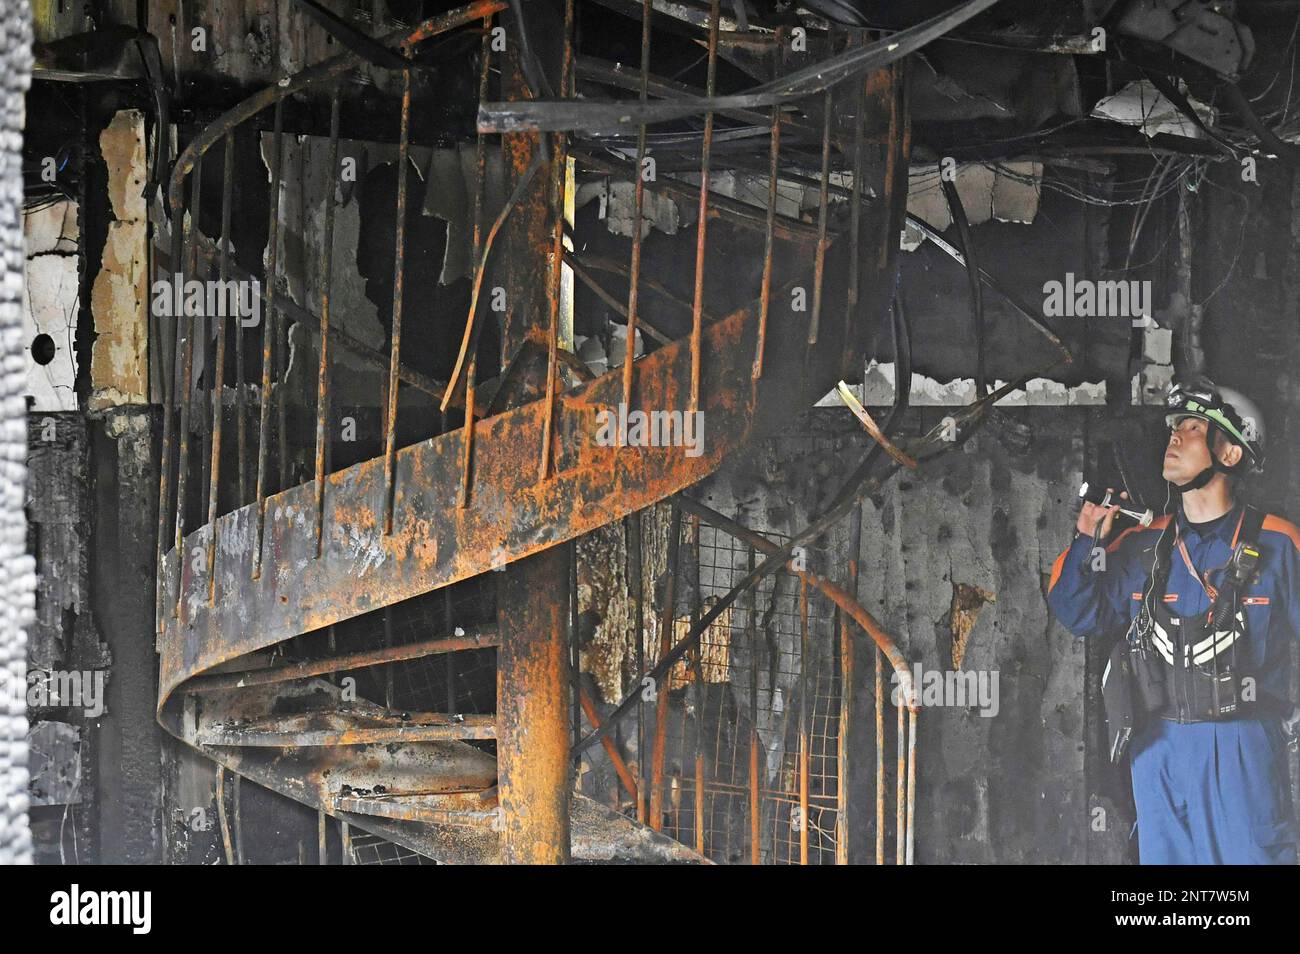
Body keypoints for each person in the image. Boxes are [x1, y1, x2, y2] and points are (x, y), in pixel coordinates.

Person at [1048, 376, 1300, 864]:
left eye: (1192, 426)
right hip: (1157, 747)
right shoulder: (1145, 545)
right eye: (1173, 427)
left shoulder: (1279, 543)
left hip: (1243, 745)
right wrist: (1088, 541)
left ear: (1230, 453)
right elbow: (1078, 613)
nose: (1175, 436)